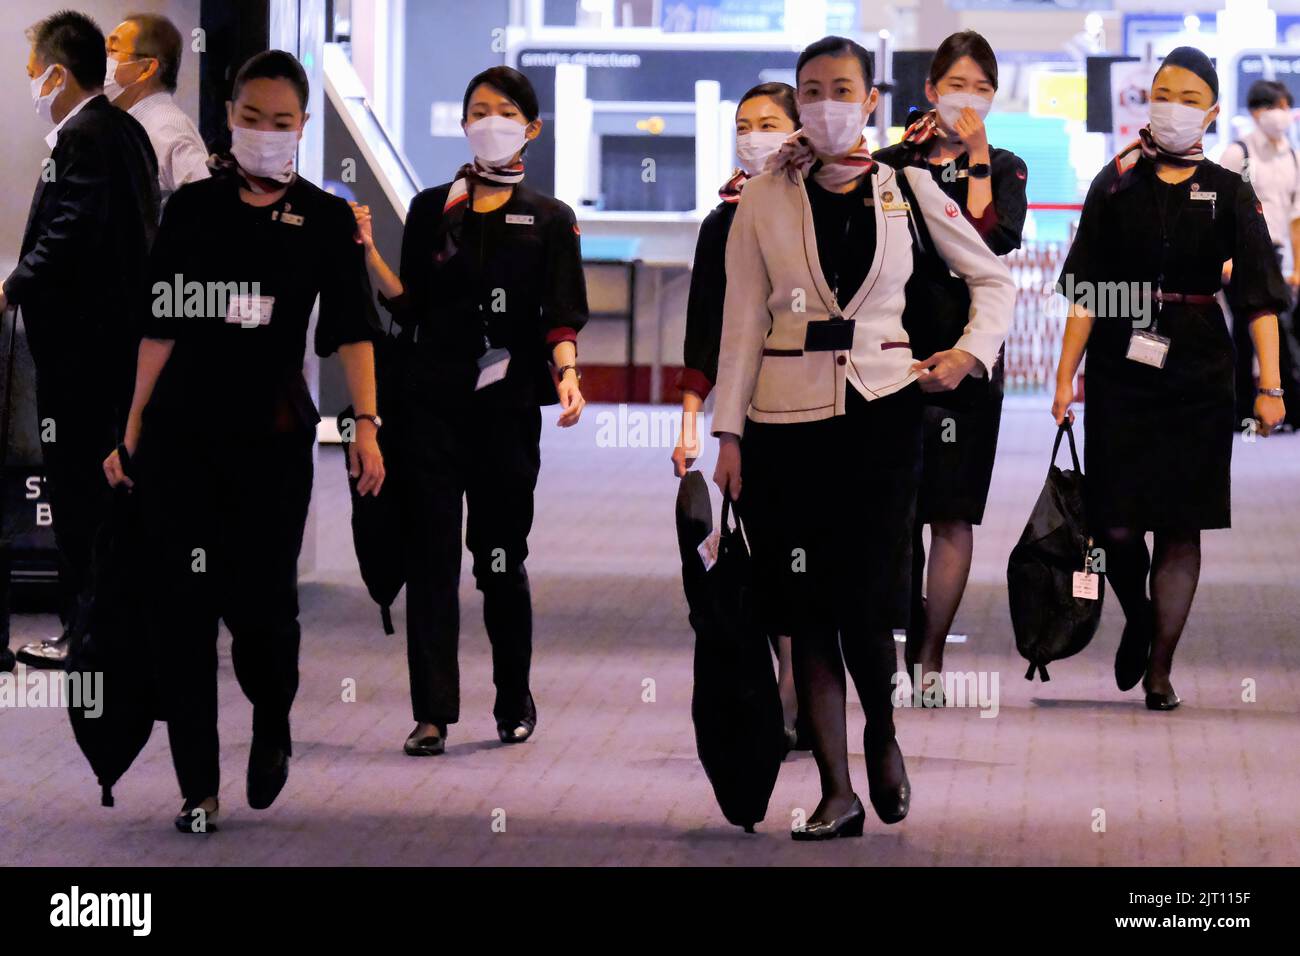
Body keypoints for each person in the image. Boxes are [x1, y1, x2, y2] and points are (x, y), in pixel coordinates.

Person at [711, 36, 1014, 839]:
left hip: (881, 414)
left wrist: (967, 353)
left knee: (867, 600)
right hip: (784, 423)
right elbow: (740, 323)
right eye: (810, 90)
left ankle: (882, 729)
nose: (823, 104)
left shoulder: (906, 188)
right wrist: (727, 435)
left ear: (872, 101)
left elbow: (993, 277)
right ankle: (836, 790)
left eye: (840, 88)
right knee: (804, 605)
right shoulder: (763, 199)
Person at [102, 50, 384, 832]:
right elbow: (158, 326)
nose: (265, 132)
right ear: (229, 116)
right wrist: (129, 429)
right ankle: (199, 787)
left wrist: (367, 427)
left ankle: (273, 718)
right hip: (183, 439)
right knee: (180, 612)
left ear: (302, 127)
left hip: (273, 440)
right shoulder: (193, 210)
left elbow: (353, 332)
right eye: (251, 118)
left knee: (263, 612)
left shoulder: (326, 221)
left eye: (281, 121)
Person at [354, 66, 588, 756]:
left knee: (497, 558)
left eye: (504, 111)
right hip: (430, 402)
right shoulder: (433, 208)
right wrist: (367, 255)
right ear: (463, 124)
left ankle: (513, 697)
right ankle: (432, 712)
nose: (490, 121)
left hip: (507, 408)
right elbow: (411, 306)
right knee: (430, 559)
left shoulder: (550, 218)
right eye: (477, 110)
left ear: (530, 128)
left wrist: (568, 377)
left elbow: (562, 314)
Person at [1051, 47, 1288, 712]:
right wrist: (1065, 376)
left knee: (1181, 525)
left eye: (1189, 97)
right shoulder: (1115, 182)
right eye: (1163, 92)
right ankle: (1140, 613)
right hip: (1123, 362)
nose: (1173, 106)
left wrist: (1271, 389)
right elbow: (1087, 291)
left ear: (1212, 112)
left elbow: (1261, 299)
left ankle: (1160, 665)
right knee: (1118, 524)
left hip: (1200, 364)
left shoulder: (1228, 186)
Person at [874, 30, 1028, 702]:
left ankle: (930, 656)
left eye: (983, 89)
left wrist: (978, 155)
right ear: (932, 89)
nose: (969, 99)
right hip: (888, 357)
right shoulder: (884, 163)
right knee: (889, 510)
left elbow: (992, 239)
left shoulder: (1009, 166)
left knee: (952, 513)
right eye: (957, 85)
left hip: (968, 354)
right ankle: (886, 644)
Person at [2, 10, 158, 671]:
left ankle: (84, 636)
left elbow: (71, 232)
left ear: (59, 73)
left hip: (85, 359)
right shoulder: (122, 131)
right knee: (101, 496)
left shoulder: (86, 137)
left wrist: (15, 284)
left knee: (80, 496)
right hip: (110, 355)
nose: (31, 83)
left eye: (34, 72)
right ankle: (100, 631)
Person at [671, 81, 805, 750]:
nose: (755, 136)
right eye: (745, 125)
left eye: (770, 123)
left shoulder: (821, 207)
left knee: (812, 554)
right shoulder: (721, 222)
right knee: (768, 552)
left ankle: (809, 684)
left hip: (818, 404)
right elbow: (703, 331)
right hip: (745, 415)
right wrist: (693, 421)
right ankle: (787, 688)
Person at [1219, 79, 1300, 427]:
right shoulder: (1239, 152)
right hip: (1241, 258)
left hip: (1280, 257)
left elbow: (1296, 216)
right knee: (1242, 335)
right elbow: (1217, 209)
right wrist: (1225, 259)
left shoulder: (1292, 155)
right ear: (1255, 111)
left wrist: (1298, 265)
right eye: (1274, 107)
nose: (1281, 115)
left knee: (1285, 334)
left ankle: (1288, 412)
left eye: (1285, 107)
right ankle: (1240, 414)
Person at [104, 12, 210, 207]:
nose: (102, 61)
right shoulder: (135, 126)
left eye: (111, 50)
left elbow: (208, 205)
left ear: (146, 69)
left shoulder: (166, 131)